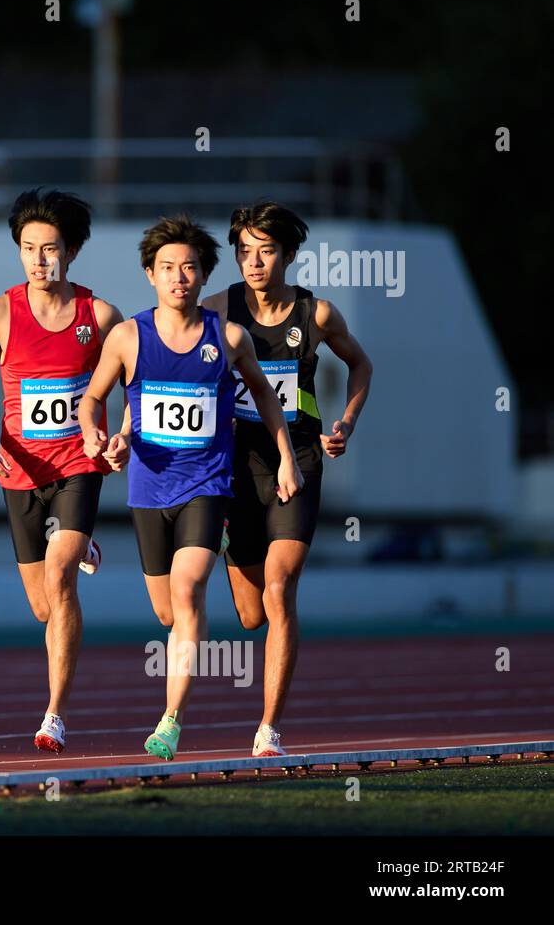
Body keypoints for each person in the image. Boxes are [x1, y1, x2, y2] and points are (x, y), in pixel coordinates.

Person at [79, 215, 300, 761]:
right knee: (166, 612)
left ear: (204, 277)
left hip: (208, 484)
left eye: (190, 268)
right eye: (168, 268)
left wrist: (287, 458)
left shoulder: (227, 337)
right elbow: (90, 398)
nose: (179, 277)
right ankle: (197, 571)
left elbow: (267, 399)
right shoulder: (128, 337)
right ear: (149, 274)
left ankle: (171, 720)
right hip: (149, 490)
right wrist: (96, 436)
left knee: (189, 587)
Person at [0, 188, 123, 753]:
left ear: (72, 251)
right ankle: (82, 548)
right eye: (28, 248)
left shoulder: (99, 316)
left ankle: (54, 715)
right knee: (43, 607)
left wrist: (118, 436)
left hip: (80, 462)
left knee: (61, 574)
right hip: (19, 470)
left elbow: (139, 386)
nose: (38, 260)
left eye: (49, 249)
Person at [202, 202, 373, 756]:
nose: (253, 262)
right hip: (235, 467)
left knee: (280, 590)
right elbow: (167, 348)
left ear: (290, 256)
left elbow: (361, 365)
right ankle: (232, 542)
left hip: (297, 461)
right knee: (251, 615)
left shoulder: (316, 315)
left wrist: (344, 422)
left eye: (266, 251)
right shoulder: (217, 309)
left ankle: (268, 729)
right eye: (244, 251)